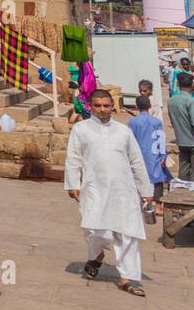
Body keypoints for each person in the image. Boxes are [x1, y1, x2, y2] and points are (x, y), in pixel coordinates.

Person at [65, 88, 154, 297]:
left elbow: (137, 162)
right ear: (91, 107)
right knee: (94, 229)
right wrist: (72, 183)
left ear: (112, 106)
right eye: (98, 106)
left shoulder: (124, 131)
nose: (103, 110)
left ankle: (128, 278)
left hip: (123, 190)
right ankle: (96, 256)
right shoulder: (81, 130)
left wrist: (146, 190)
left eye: (106, 105)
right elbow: (73, 158)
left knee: (126, 233)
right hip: (93, 188)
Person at [128, 95, 172, 216]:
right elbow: (160, 139)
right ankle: (158, 206)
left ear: (137, 106)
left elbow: (129, 140)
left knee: (138, 178)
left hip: (137, 154)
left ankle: (141, 202)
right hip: (154, 154)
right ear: (149, 106)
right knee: (158, 179)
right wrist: (163, 156)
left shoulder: (133, 122)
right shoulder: (156, 122)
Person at [169, 71, 194, 182]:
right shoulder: (191, 101)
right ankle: (193, 196)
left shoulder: (172, 101)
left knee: (183, 174)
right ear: (191, 84)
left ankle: (181, 194)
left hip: (181, 140)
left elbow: (179, 117)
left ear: (179, 84)